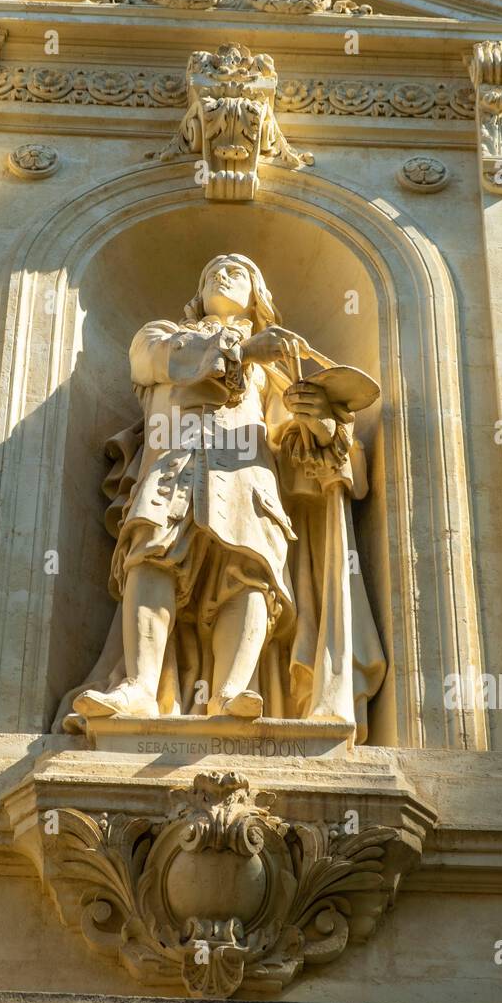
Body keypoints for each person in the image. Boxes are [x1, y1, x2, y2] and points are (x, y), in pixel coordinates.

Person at [57, 253, 386, 740]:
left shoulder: (275, 370)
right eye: (212, 270)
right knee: (150, 555)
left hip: (248, 477)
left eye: (238, 270)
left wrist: (316, 418)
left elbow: (300, 451)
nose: (222, 272)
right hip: (174, 466)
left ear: (259, 298)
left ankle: (232, 692)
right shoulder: (161, 335)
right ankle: (140, 686)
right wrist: (246, 350)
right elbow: (159, 360)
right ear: (198, 293)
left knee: (250, 570)